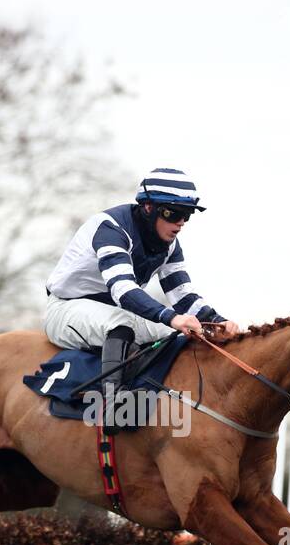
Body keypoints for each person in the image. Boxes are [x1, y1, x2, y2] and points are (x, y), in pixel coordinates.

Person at [43, 168, 241, 429]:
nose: (180, 223)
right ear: (148, 208)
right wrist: (172, 317)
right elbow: (122, 289)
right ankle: (113, 405)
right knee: (122, 325)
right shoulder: (111, 229)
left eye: (187, 215)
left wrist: (216, 321)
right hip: (66, 309)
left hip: (113, 311)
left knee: (189, 334)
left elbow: (183, 296)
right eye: (174, 213)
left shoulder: (170, 245)